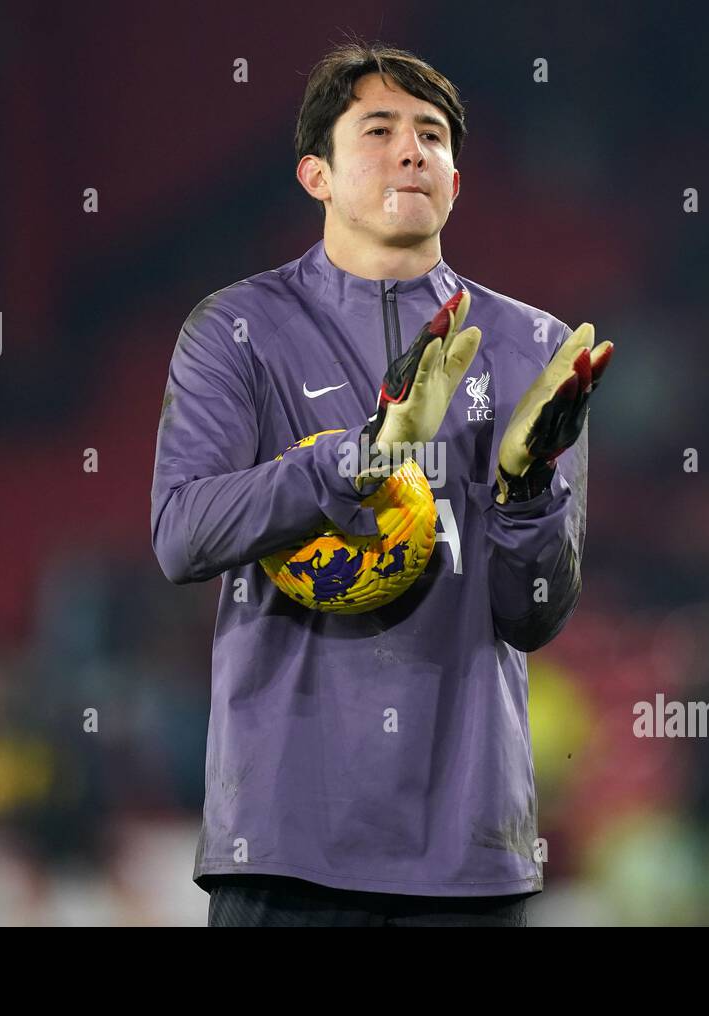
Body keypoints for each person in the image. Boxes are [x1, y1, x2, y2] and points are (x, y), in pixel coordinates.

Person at [150, 40, 612, 927]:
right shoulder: (236, 330)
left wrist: (524, 489)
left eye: (433, 136)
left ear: (456, 181)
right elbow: (181, 535)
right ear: (314, 174)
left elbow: (535, 613)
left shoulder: (531, 350)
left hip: (470, 855)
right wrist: (357, 458)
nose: (412, 150)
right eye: (380, 128)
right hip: (284, 844)